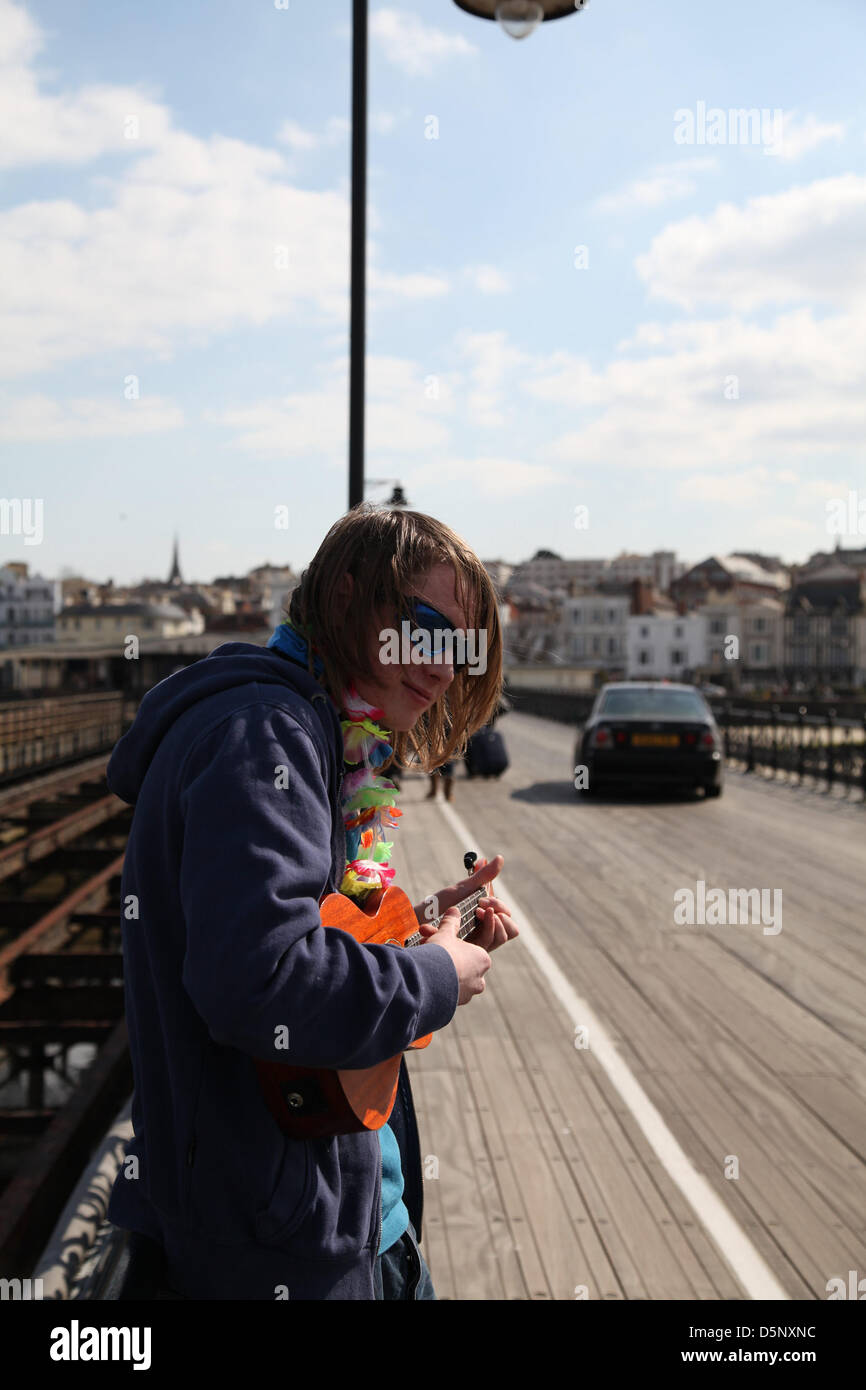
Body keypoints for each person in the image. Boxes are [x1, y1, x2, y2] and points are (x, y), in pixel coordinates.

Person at [105, 504, 517, 1301]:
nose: (443, 669)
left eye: (462, 649)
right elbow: (262, 981)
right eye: (426, 629)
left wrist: (420, 931)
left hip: (340, 1218)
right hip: (278, 1250)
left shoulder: (304, 728)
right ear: (346, 597)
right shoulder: (268, 735)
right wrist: (434, 981)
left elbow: (296, 932)